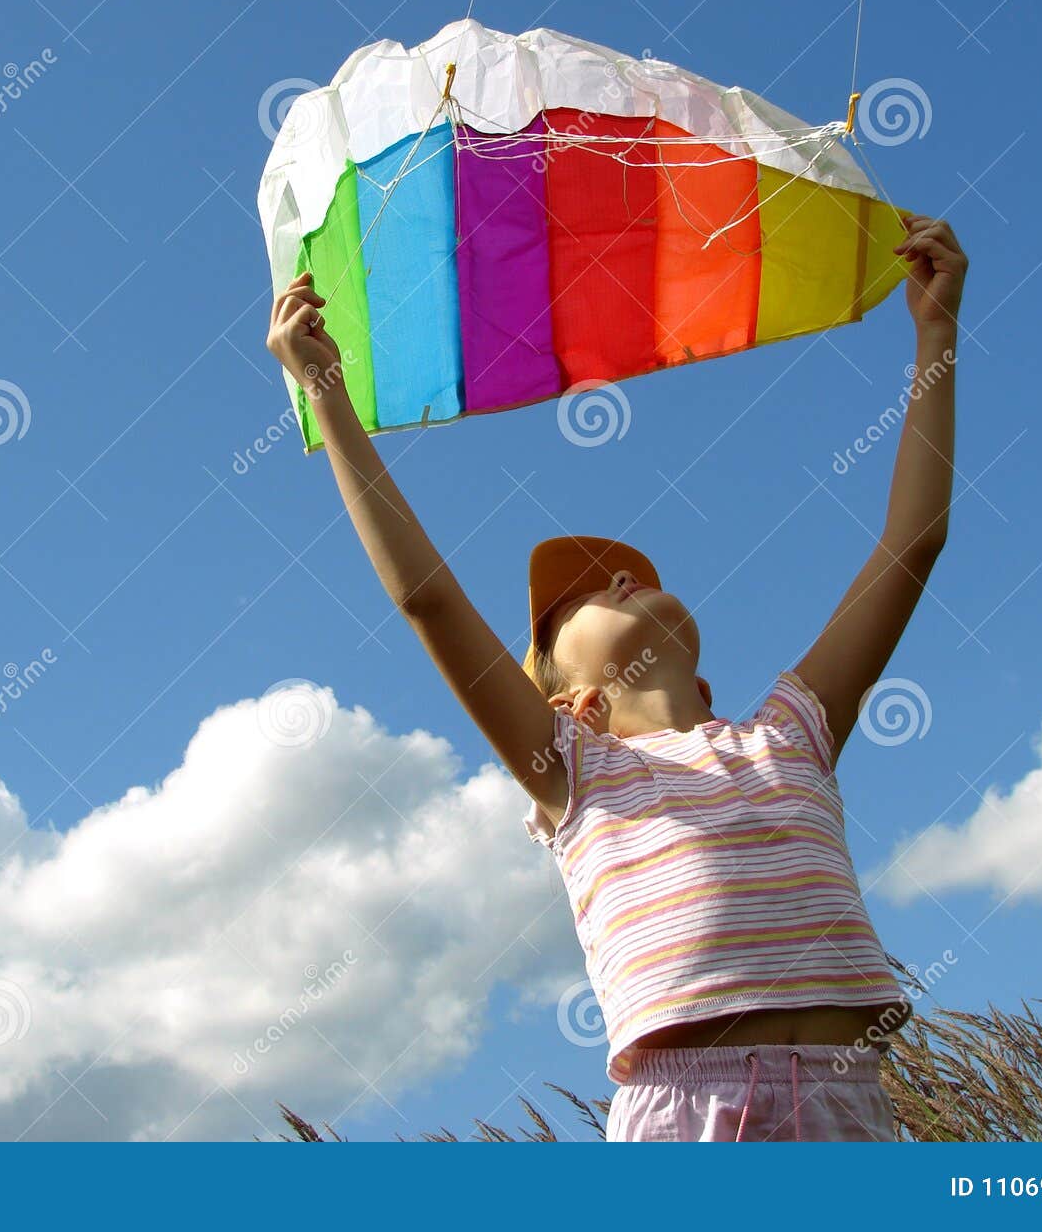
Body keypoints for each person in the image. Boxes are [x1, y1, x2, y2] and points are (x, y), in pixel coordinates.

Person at [265, 214, 967, 1141]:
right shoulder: (577, 771)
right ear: (574, 705)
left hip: (853, 1107)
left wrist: (935, 334)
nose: (625, 578)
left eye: (632, 575)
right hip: (688, 1112)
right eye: (589, 598)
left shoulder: (787, 734)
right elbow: (429, 601)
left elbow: (912, 545)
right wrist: (326, 392)